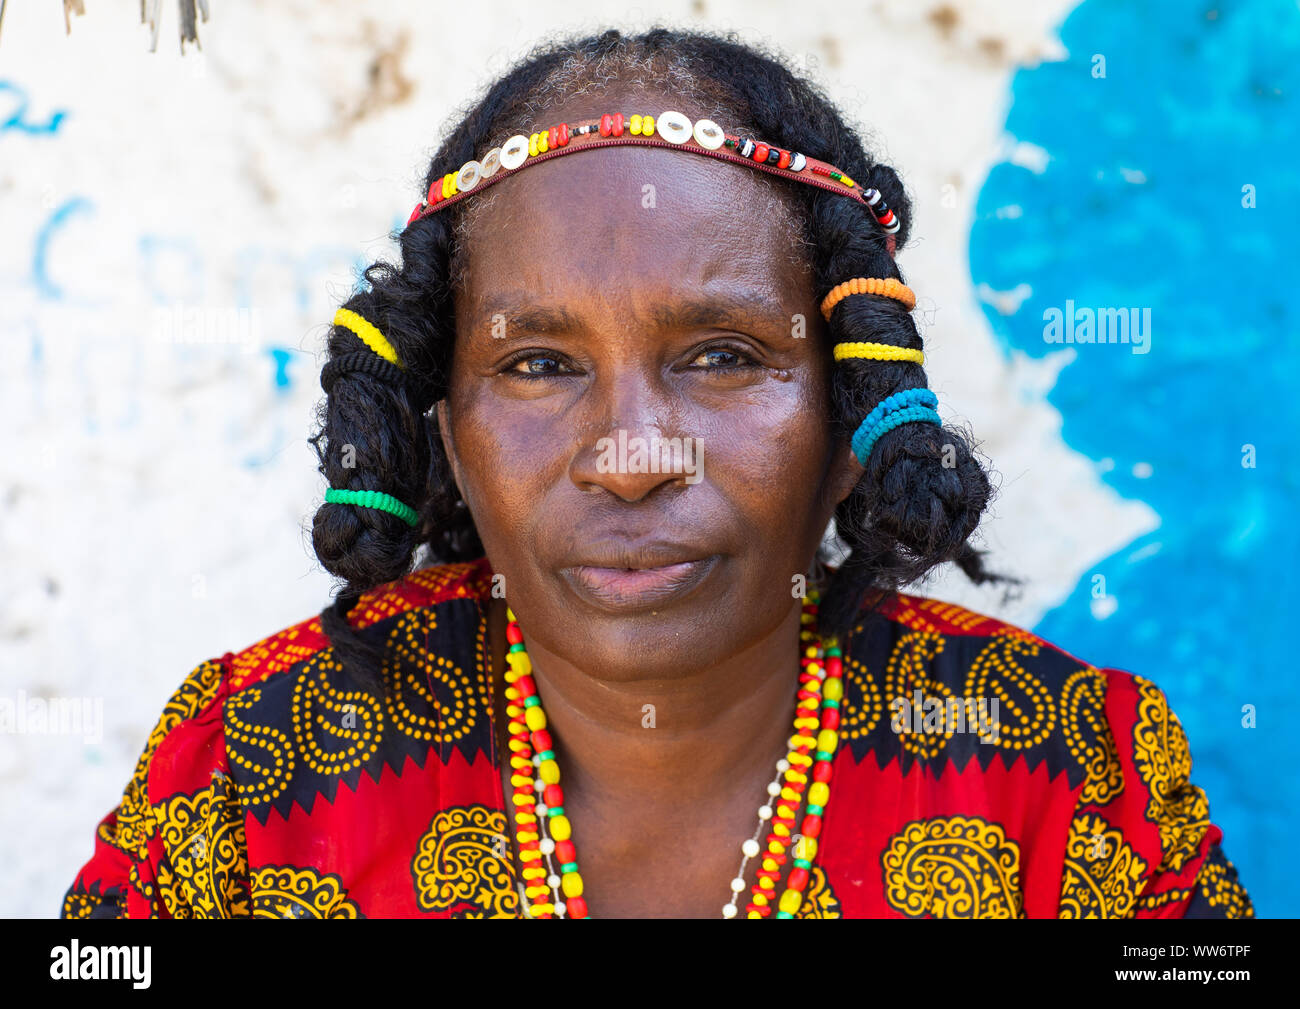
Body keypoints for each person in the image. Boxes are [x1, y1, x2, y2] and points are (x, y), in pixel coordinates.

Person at [61, 27, 1252, 919]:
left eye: (722, 356)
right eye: (536, 362)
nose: (629, 457)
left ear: (851, 413)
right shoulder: (251, 769)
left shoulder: (1058, 767)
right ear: (448, 430)